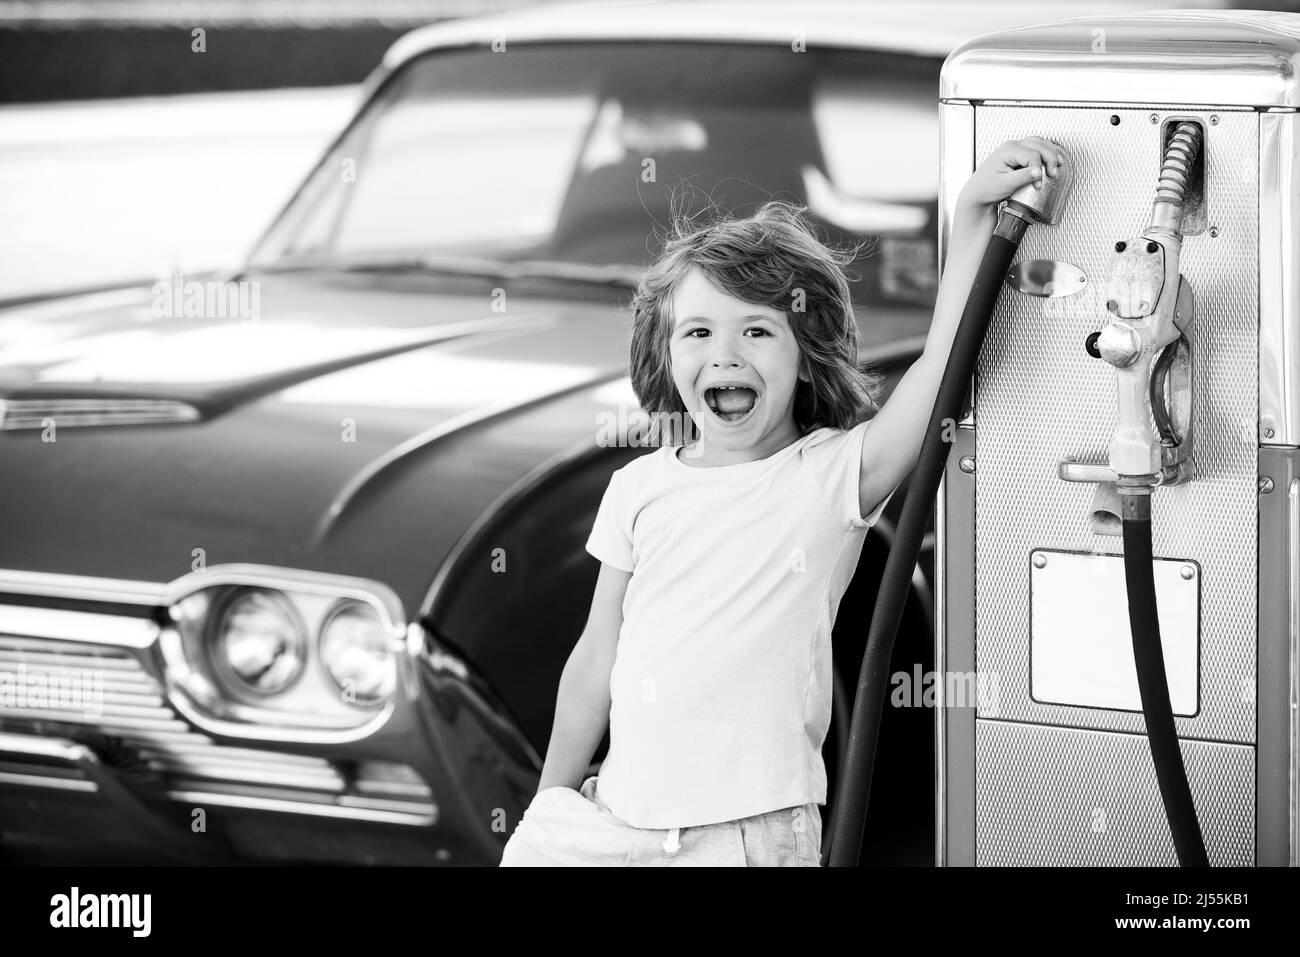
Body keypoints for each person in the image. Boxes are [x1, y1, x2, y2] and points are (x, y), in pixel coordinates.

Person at [500, 138, 1065, 866]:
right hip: (613, 819)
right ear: (665, 356)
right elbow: (595, 658)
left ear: (806, 359)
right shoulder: (638, 488)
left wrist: (970, 216)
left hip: (745, 836)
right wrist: (552, 805)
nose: (726, 355)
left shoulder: (827, 477)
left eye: (759, 332)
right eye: (698, 332)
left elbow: (939, 368)